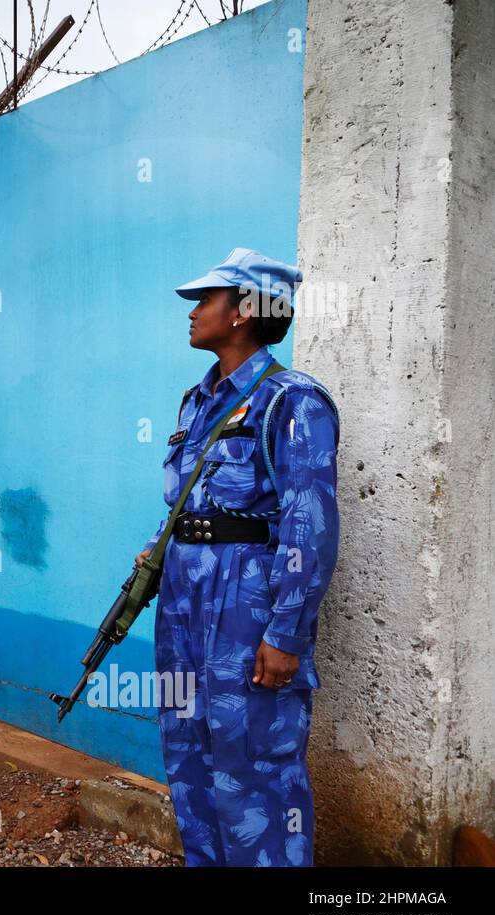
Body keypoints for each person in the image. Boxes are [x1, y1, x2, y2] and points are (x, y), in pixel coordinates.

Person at [135, 248, 340, 866]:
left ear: (246, 311)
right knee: (188, 754)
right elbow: (192, 507)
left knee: (255, 769)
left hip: (246, 616)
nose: (193, 312)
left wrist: (286, 633)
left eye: (206, 299)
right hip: (182, 612)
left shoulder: (293, 402)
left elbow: (311, 527)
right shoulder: (196, 402)